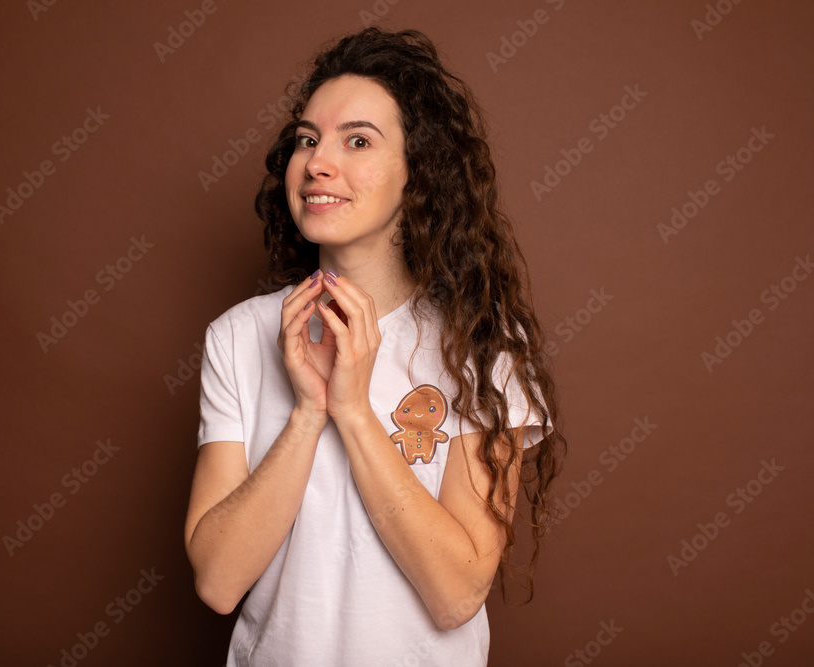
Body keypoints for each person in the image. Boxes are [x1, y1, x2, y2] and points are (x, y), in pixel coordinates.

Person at [185, 26, 566, 666]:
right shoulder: (237, 336)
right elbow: (218, 584)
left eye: (357, 141)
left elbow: (455, 594)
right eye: (308, 140)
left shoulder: (484, 340)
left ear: (418, 175)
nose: (317, 163)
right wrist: (308, 412)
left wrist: (355, 410)